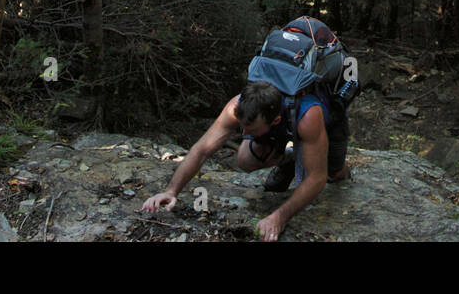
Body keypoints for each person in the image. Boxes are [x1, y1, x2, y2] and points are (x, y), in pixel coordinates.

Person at [142, 79, 350, 241]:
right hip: (276, 124)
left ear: (275, 120)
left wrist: (279, 217)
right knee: (245, 159)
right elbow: (202, 149)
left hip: (325, 121)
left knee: (331, 172)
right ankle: (288, 160)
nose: (243, 132)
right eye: (242, 126)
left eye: (250, 129)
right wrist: (171, 191)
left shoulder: (309, 116)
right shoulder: (237, 105)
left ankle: (334, 168)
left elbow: (317, 178)